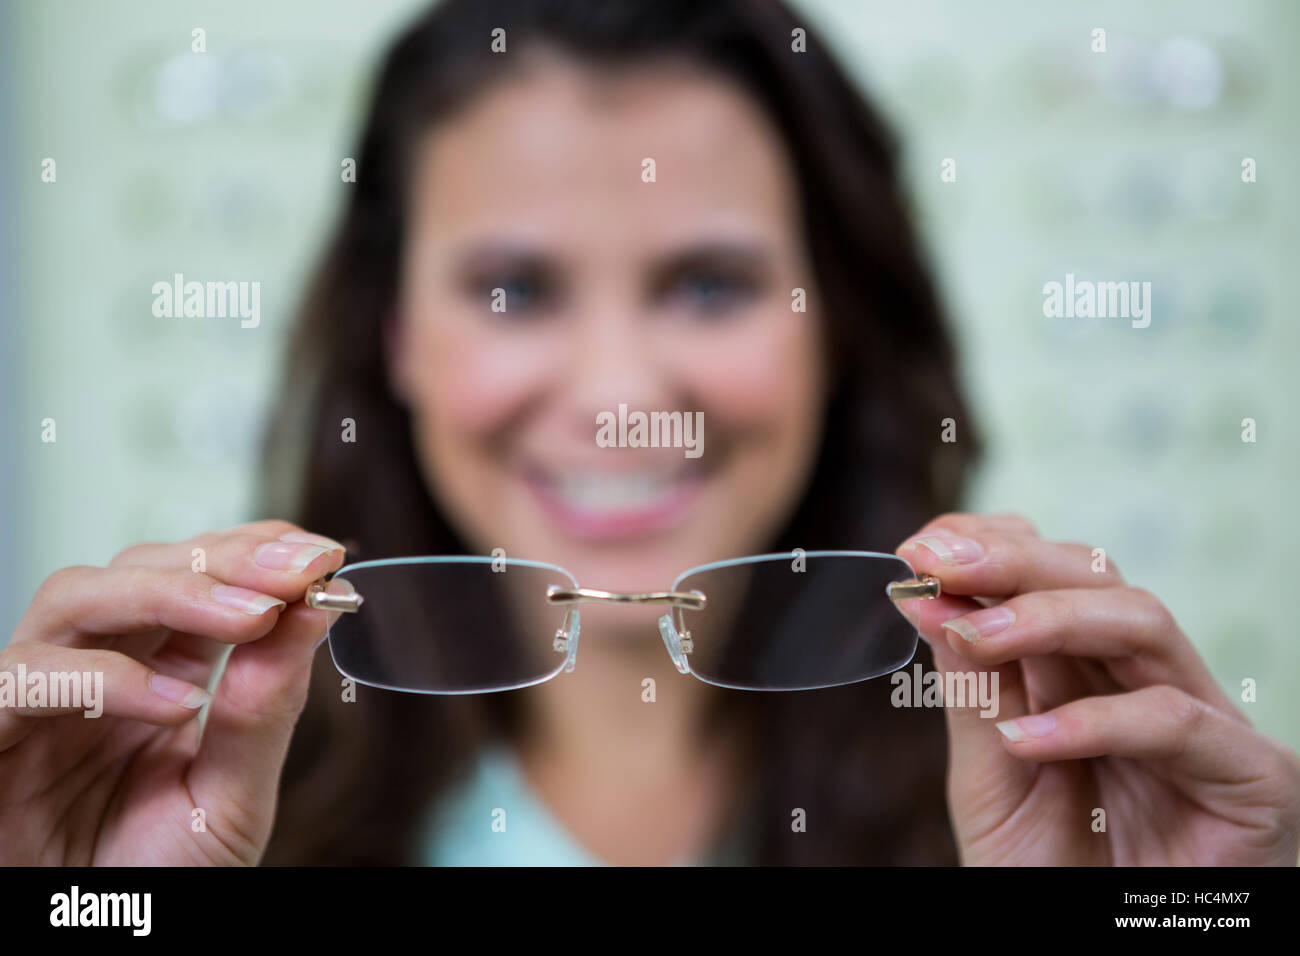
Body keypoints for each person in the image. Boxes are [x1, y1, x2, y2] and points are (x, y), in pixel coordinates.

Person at [3, 0, 1297, 867]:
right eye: (514, 290)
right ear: (394, 336)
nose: (620, 388)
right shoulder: (198, 826)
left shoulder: (1062, 827)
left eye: (710, 284)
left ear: (835, 323)